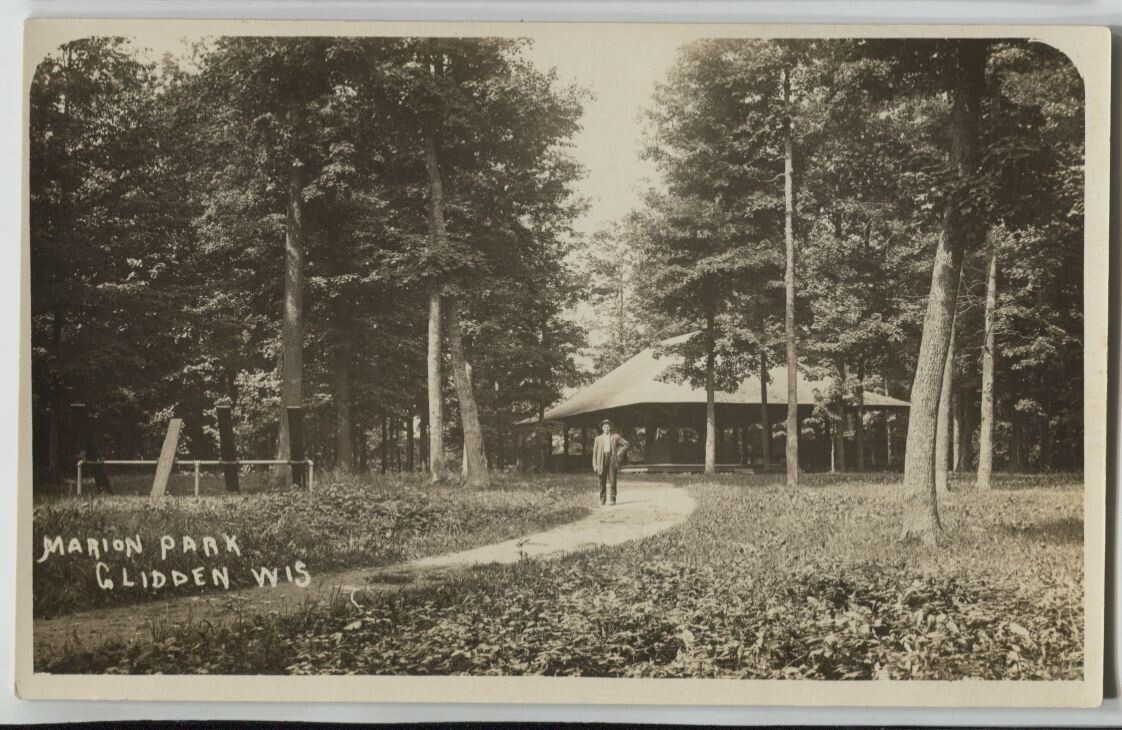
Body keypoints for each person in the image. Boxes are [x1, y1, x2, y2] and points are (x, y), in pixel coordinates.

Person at [592, 419, 629, 506]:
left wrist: (618, 453)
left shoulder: (615, 436)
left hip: (612, 460)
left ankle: (613, 499)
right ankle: (602, 499)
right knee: (602, 481)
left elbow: (626, 444)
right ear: (602, 428)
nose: (606, 428)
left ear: (610, 428)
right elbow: (594, 453)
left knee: (612, 480)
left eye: (608, 427)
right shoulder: (598, 439)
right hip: (601, 460)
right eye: (605, 427)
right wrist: (595, 465)